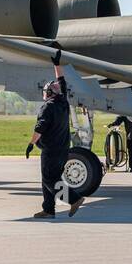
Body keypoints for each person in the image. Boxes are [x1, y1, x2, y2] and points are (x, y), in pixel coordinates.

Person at [26, 62, 80, 219]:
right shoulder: (63, 101)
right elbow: (62, 81)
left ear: (48, 92)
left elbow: (40, 128)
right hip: (63, 149)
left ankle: (74, 199)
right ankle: (48, 209)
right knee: (48, 179)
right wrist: (57, 65)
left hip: (51, 150)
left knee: (50, 181)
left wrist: (31, 143)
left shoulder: (47, 107)